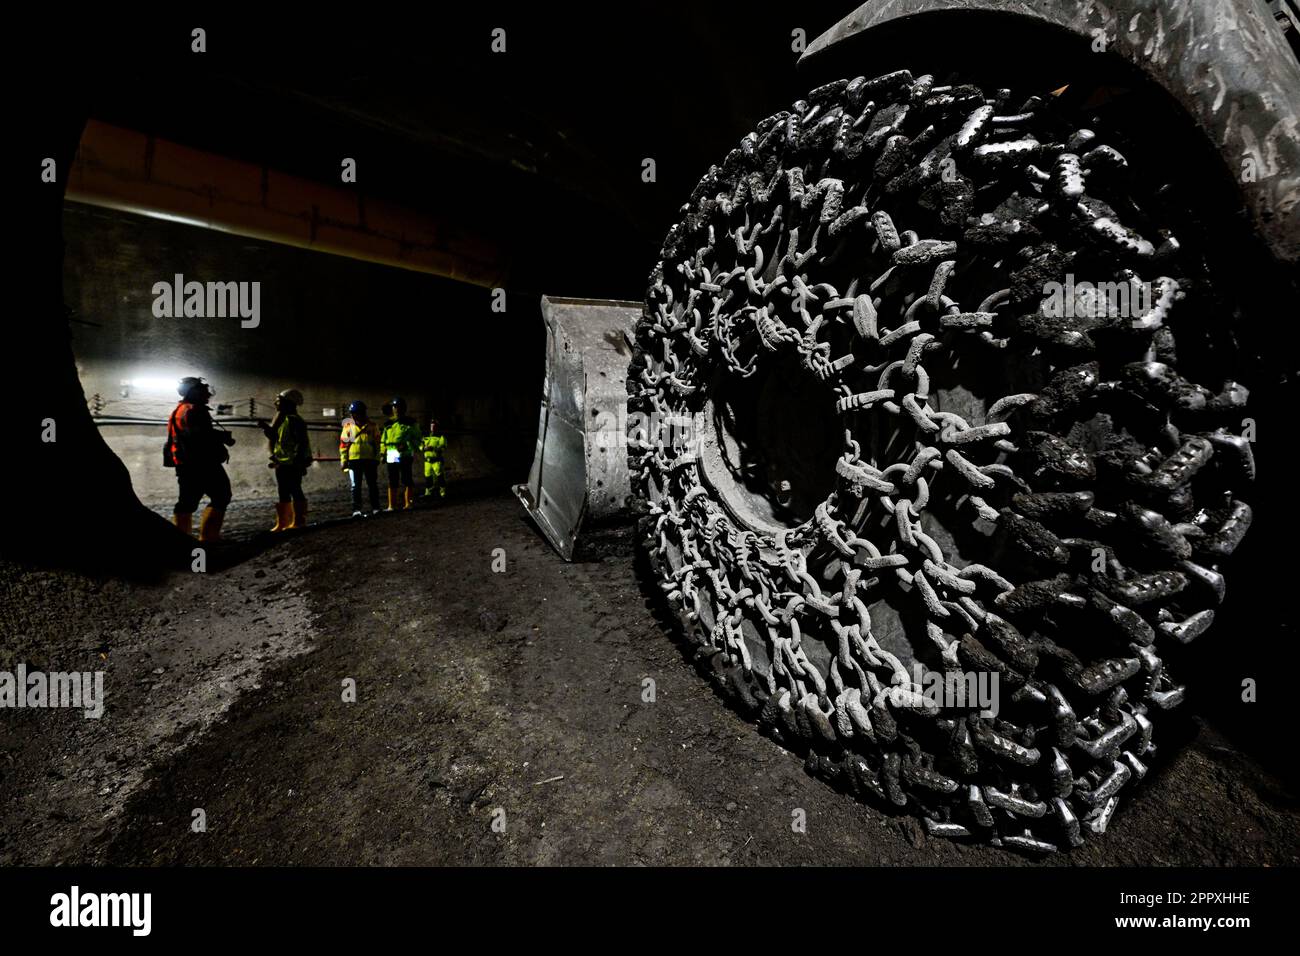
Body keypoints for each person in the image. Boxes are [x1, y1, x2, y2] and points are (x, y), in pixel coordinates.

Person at [166, 376, 236, 542]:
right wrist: (223, 438)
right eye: (202, 389)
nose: (207, 393)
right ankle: (209, 537)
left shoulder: (181, 409)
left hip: (186, 463)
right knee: (222, 495)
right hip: (203, 463)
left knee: (186, 503)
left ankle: (182, 541)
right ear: (193, 392)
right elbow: (201, 436)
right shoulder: (194, 410)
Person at [258, 388, 312, 532]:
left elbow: (302, 443)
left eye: (280, 401)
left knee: (295, 490)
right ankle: (283, 523)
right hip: (282, 462)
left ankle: (299, 521)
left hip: (293, 462)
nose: (277, 404)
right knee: (283, 491)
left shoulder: (294, 421)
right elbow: (278, 439)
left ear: (289, 403)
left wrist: (300, 462)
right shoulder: (283, 419)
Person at [339, 400, 381, 517]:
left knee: (372, 484)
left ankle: (376, 508)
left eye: (356, 413)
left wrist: (377, 458)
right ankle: (356, 510)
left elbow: (377, 444)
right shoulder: (349, 428)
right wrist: (344, 460)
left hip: (369, 460)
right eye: (352, 413)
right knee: (355, 486)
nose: (353, 415)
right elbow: (343, 446)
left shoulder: (372, 426)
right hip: (353, 460)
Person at [380, 396, 422, 511]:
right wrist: (383, 453)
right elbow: (384, 440)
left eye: (398, 407)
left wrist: (407, 445)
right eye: (395, 407)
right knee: (392, 479)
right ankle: (391, 505)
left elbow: (418, 439)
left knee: (406, 478)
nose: (396, 409)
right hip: (392, 454)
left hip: (405, 454)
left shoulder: (411, 423)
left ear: (404, 409)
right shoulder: (388, 424)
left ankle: (408, 503)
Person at [421, 417, 447, 500]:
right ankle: (428, 492)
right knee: (428, 477)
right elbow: (420, 445)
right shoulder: (425, 435)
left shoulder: (440, 436)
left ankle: (442, 492)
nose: (432, 427)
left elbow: (443, 447)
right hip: (427, 461)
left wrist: (434, 448)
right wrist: (423, 448)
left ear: (437, 426)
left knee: (440, 477)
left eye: (434, 425)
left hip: (436, 460)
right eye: (431, 425)